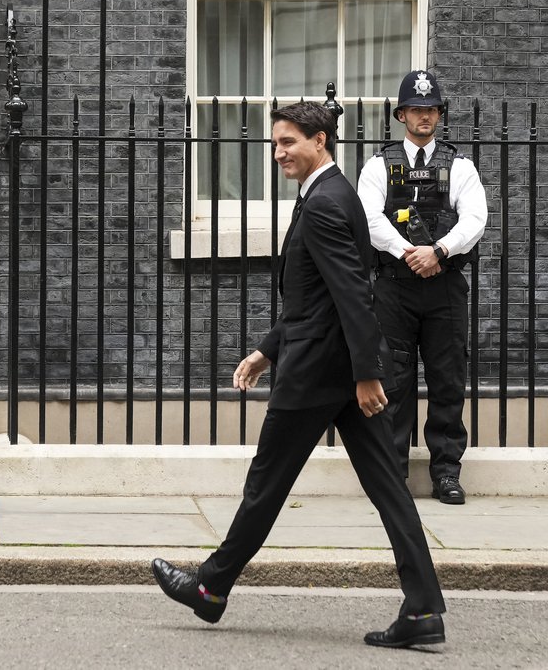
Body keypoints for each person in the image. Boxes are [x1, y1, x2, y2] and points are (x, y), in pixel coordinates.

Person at [151, 101, 447, 649]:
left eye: (288, 142)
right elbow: (312, 297)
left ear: (319, 140)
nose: (278, 153)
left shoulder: (326, 203)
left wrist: (366, 374)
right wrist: (267, 351)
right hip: (335, 368)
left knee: (266, 484)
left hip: (318, 374)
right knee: (388, 488)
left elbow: (353, 292)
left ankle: (210, 588)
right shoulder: (329, 194)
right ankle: (424, 607)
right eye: (275, 143)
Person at [357, 70, 487, 505]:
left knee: (448, 380)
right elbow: (367, 218)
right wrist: (409, 252)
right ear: (402, 115)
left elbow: (475, 219)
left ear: (439, 114)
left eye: (431, 109)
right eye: (416, 109)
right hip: (394, 287)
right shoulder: (378, 165)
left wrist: (440, 251)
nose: (424, 116)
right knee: (392, 382)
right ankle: (392, 474)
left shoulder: (460, 166)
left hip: (444, 287)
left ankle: (446, 473)